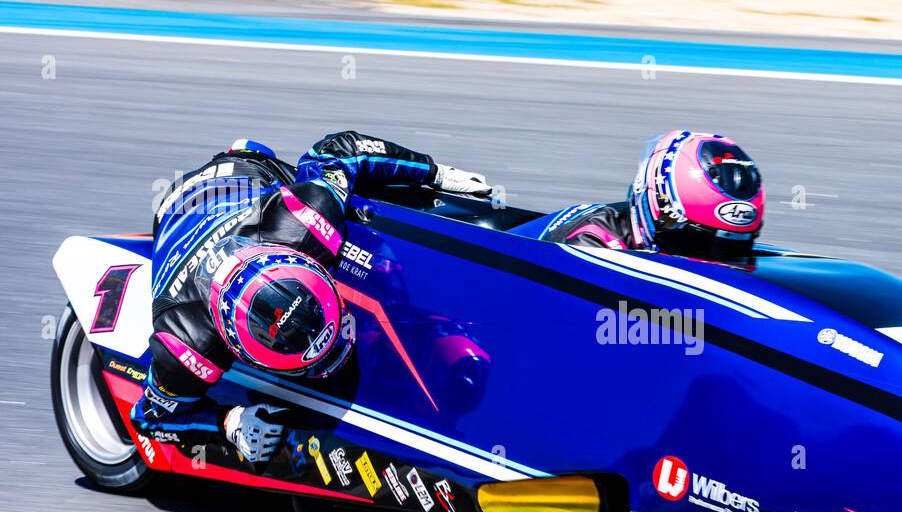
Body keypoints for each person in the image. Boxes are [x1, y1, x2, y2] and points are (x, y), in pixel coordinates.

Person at [130, 132, 489, 463]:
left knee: (368, 229)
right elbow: (150, 416)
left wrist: (435, 173)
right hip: (174, 213)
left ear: (304, 263)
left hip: (243, 172)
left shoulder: (302, 220)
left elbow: (342, 150)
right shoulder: (186, 344)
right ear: (234, 345)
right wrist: (228, 421)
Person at [541, 130, 765, 259]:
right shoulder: (590, 247)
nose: (713, 260)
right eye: (697, 242)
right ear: (658, 211)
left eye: (734, 246)